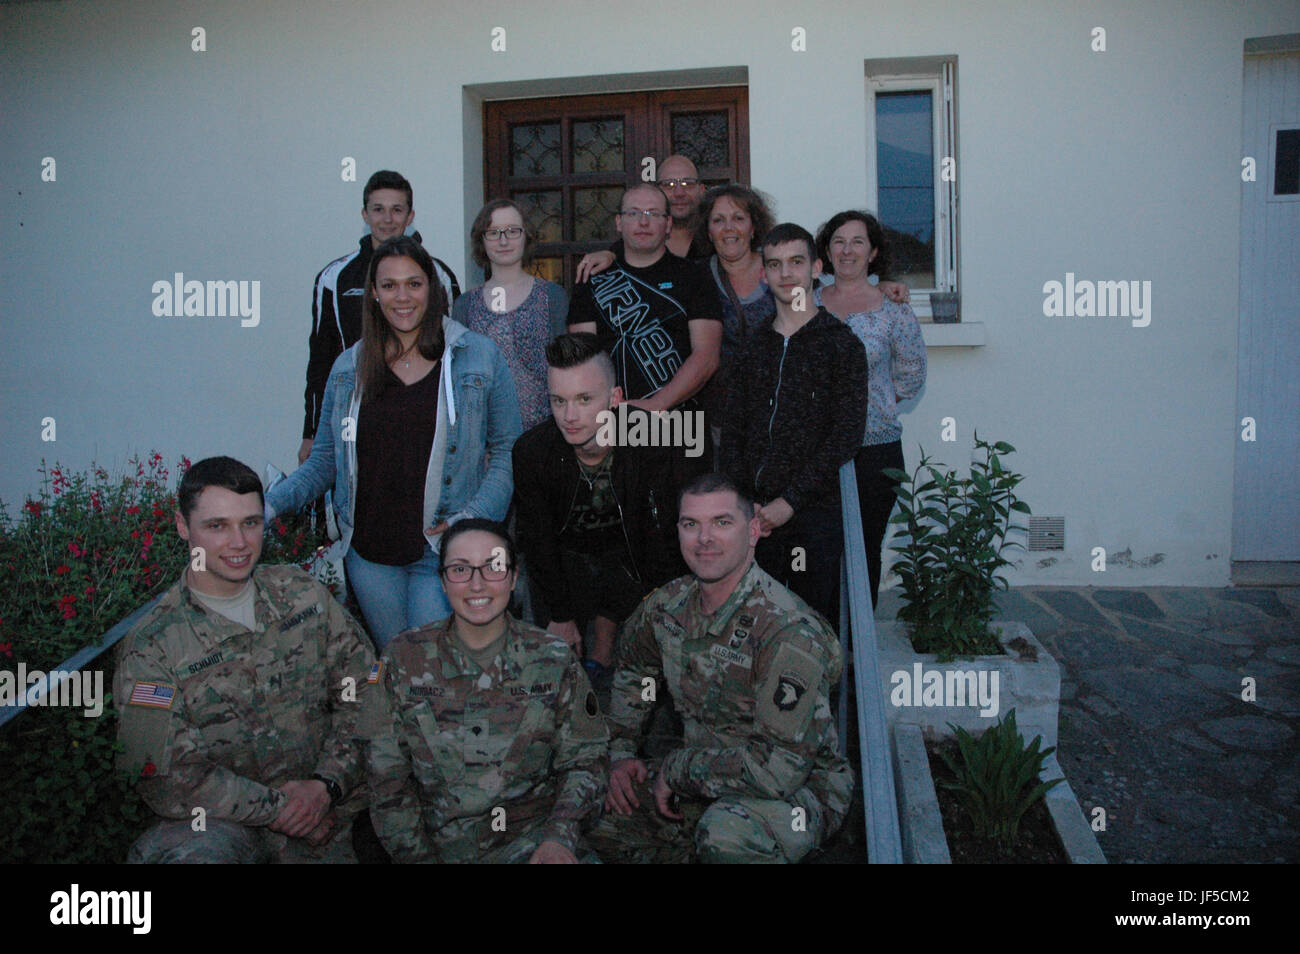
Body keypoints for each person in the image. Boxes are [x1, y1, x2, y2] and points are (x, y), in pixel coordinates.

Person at [114, 456, 375, 863]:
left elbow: (368, 694)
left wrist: (327, 786)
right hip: (222, 829)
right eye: (217, 526)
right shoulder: (149, 647)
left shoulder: (303, 595)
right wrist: (281, 809)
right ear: (184, 527)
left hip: (331, 814)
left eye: (250, 523)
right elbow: (161, 774)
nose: (239, 542)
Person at [267, 236, 522, 651]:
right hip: (369, 555)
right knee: (397, 668)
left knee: (429, 667)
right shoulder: (349, 367)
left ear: (433, 289)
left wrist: (473, 518)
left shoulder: (478, 356)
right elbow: (325, 460)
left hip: (440, 550)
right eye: (389, 285)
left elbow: (511, 449)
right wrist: (268, 505)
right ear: (373, 293)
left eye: (414, 284)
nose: (402, 297)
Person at [588, 473, 852, 864]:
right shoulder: (668, 605)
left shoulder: (788, 631)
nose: (704, 538)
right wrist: (622, 753)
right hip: (705, 773)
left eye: (722, 523)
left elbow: (778, 770)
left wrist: (677, 769)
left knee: (727, 835)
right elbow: (636, 669)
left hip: (797, 793)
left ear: (755, 530)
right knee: (593, 810)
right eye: (690, 524)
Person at [363, 519, 609, 863]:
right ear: (443, 581)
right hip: (441, 850)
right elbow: (387, 783)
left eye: (493, 567)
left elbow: (586, 760)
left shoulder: (553, 658)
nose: (477, 584)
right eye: (461, 569)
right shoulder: (402, 659)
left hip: (537, 845)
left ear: (512, 576)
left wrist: (560, 837)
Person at [512, 333, 699, 683]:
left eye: (584, 399)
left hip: (634, 565)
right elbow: (539, 541)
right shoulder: (532, 453)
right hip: (567, 568)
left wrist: (662, 616)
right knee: (551, 672)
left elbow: (664, 536)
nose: (569, 415)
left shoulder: (654, 440)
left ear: (615, 398)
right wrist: (560, 615)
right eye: (558, 400)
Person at [719, 223, 868, 626]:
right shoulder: (752, 349)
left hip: (813, 515)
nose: (786, 274)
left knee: (813, 628)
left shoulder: (842, 346)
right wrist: (742, 501)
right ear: (764, 275)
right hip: (753, 517)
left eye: (796, 262)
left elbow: (846, 436)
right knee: (750, 626)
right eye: (775, 264)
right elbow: (732, 430)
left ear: (816, 268)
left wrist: (791, 501)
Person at [300, 170, 461, 465]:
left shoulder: (439, 277)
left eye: (396, 209)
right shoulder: (333, 278)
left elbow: (455, 358)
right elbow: (320, 361)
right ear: (365, 214)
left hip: (422, 416)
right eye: (378, 209)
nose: (387, 219)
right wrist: (311, 433)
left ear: (410, 216)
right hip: (354, 416)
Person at [815, 211, 927, 607]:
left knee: (863, 549)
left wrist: (873, 404)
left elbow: (912, 373)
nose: (847, 250)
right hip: (815, 451)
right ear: (826, 251)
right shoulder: (805, 303)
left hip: (874, 450)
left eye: (857, 241)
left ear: (873, 251)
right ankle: (820, 643)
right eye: (838, 241)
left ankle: (857, 652)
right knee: (820, 549)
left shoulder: (893, 308)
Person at [567, 182, 722, 413]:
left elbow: (706, 356)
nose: (643, 222)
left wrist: (655, 405)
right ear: (619, 223)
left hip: (682, 425)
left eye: (653, 213)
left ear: (668, 224)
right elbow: (583, 358)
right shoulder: (591, 278)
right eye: (633, 213)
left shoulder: (695, 276)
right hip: (611, 420)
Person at [451, 198, 568, 430]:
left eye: (513, 231)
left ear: (527, 236)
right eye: (493, 232)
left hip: (544, 436)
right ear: (481, 241)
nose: (503, 240)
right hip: (486, 441)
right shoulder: (465, 305)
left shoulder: (552, 297)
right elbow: (459, 381)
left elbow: (566, 370)